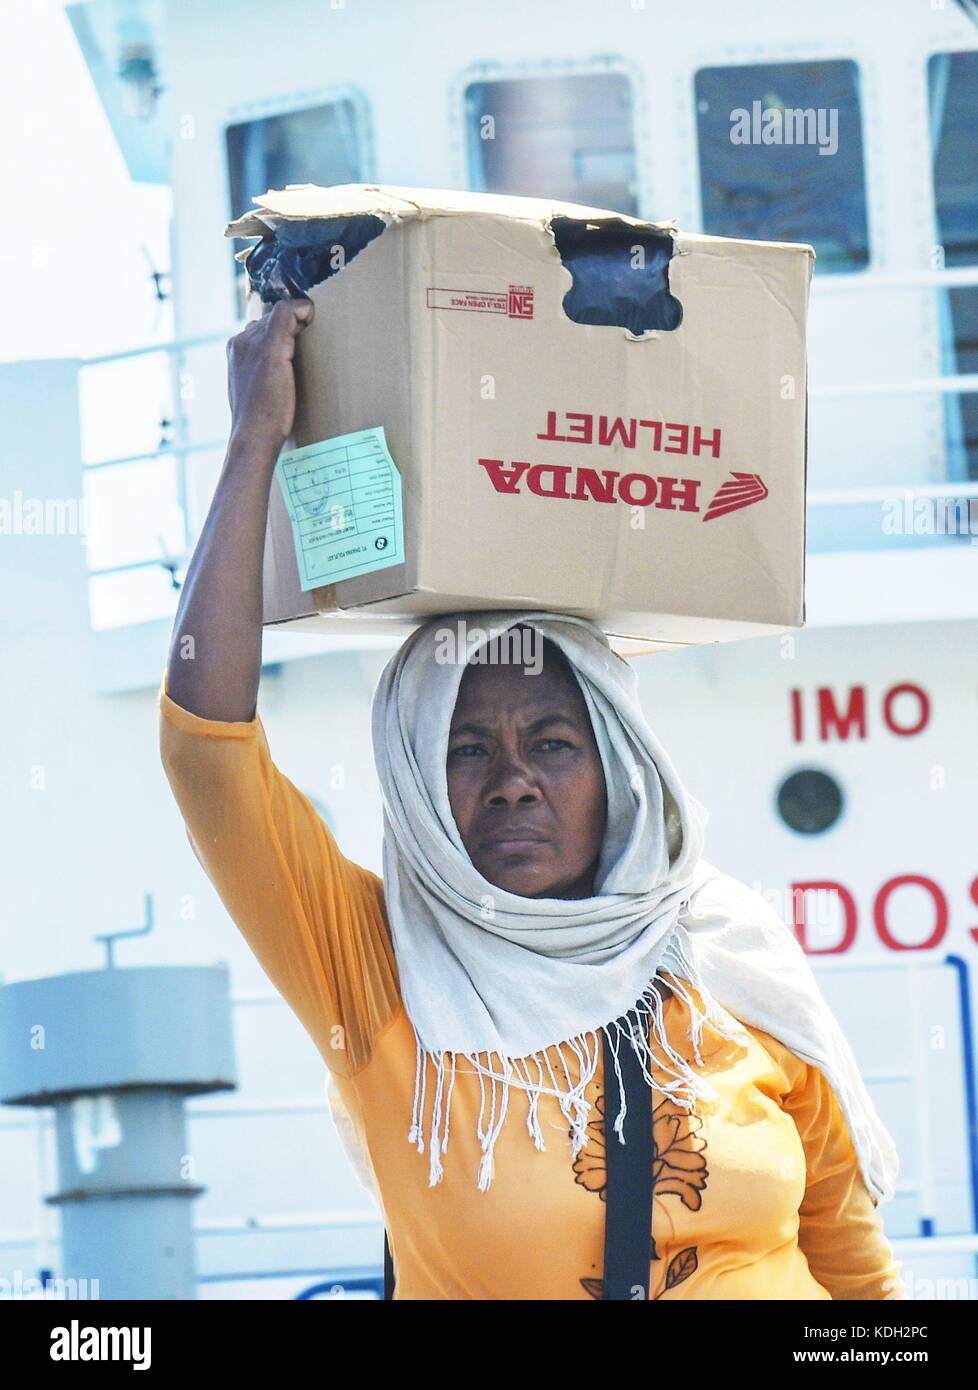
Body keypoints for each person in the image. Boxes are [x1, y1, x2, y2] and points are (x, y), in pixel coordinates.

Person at [158, 299, 906, 1301]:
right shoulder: (374, 976)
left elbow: (854, 1272)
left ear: (621, 769)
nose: (512, 779)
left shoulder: (729, 953)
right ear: (423, 788)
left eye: (553, 742)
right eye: (467, 749)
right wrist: (255, 436)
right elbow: (209, 759)